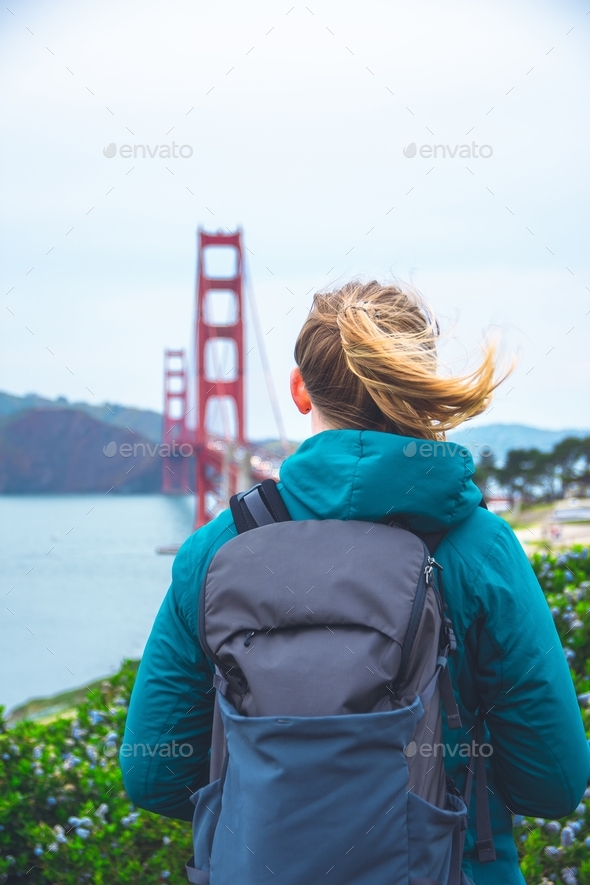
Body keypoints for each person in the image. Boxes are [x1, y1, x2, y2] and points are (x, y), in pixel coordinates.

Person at [122, 280, 589, 885]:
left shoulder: (215, 550)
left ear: (298, 390)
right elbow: (552, 784)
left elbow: (153, 776)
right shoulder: (480, 549)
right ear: (423, 393)